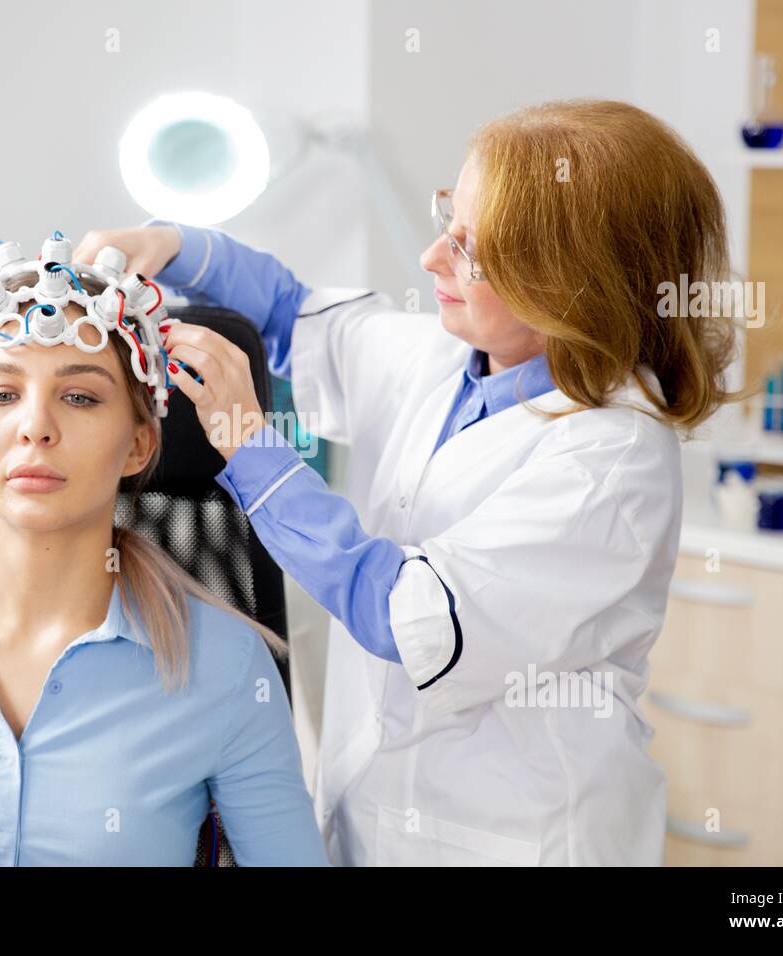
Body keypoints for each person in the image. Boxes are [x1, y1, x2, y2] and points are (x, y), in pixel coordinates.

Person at [74, 99, 738, 865]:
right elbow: (292, 314)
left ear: (571, 287)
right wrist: (176, 243)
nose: (430, 260)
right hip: (378, 817)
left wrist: (251, 446)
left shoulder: (611, 460)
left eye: (471, 251)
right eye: (448, 218)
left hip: (522, 839)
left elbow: (404, 613)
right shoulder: (449, 360)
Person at [0, 271, 330, 866]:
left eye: (80, 396)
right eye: (2, 395)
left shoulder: (225, 666)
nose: (36, 426)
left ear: (139, 444)